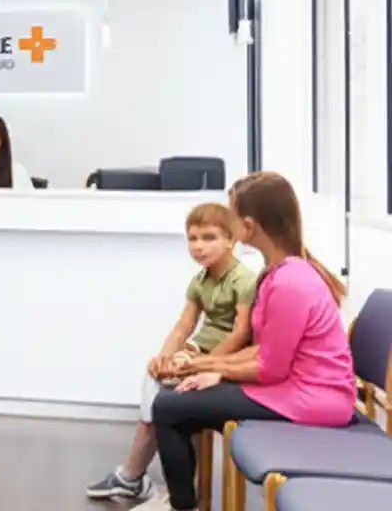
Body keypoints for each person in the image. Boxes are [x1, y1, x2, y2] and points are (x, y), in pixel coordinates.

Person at [137, 171, 354, 511]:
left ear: (249, 227)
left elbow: (270, 367)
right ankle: (185, 499)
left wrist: (215, 370)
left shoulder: (289, 282)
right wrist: (203, 365)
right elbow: (262, 350)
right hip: (297, 388)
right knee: (178, 400)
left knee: (168, 408)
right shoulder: (278, 273)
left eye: (233, 216)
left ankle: (181, 505)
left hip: (312, 398)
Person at [85, 203, 256, 501]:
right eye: (192, 238)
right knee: (154, 377)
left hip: (223, 359)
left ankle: (132, 475)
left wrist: (202, 363)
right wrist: (164, 356)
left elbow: (241, 333)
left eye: (209, 237)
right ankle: (133, 475)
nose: (199, 246)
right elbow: (183, 325)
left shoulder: (243, 280)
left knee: (164, 396)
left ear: (232, 240)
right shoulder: (200, 281)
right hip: (198, 350)